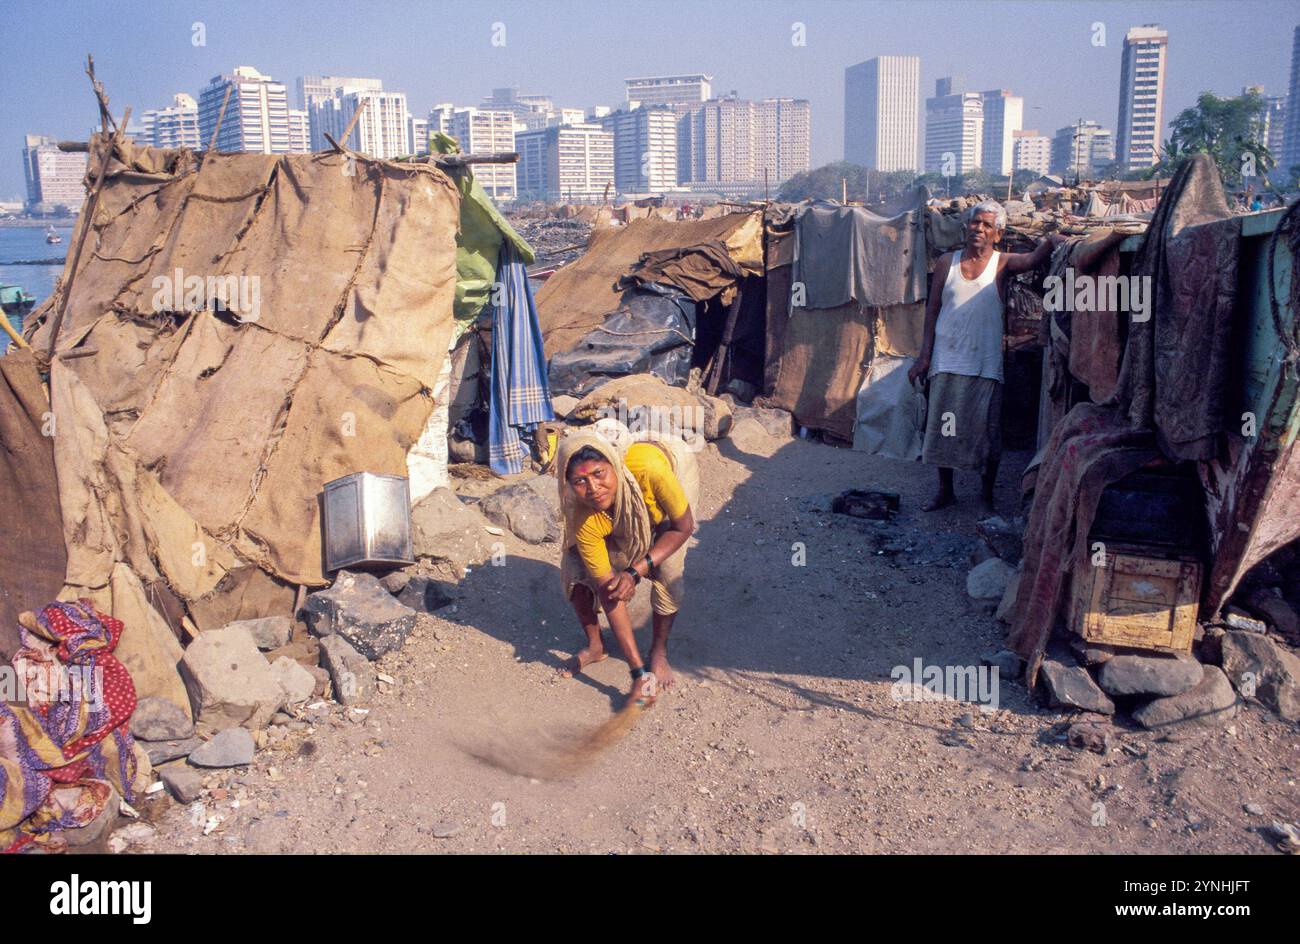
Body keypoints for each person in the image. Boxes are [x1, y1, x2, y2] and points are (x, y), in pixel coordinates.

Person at [908, 201, 1063, 513]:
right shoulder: (946, 264)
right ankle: (945, 491)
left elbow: (1033, 259)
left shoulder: (1001, 263)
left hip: (984, 364)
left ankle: (986, 495)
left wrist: (1052, 241)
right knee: (943, 432)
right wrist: (924, 356)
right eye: (975, 223)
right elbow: (933, 311)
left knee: (987, 434)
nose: (978, 229)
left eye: (986, 225)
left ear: (998, 233)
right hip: (946, 360)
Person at [554, 429, 698, 706]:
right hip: (620, 511)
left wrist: (635, 571)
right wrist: (637, 674)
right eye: (580, 481)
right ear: (569, 485)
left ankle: (658, 652)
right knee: (573, 568)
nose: (593, 489)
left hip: (669, 475)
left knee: (668, 570)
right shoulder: (584, 517)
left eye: (599, 474)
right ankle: (596, 647)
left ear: (614, 467)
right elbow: (609, 591)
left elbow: (684, 527)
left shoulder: (651, 470)